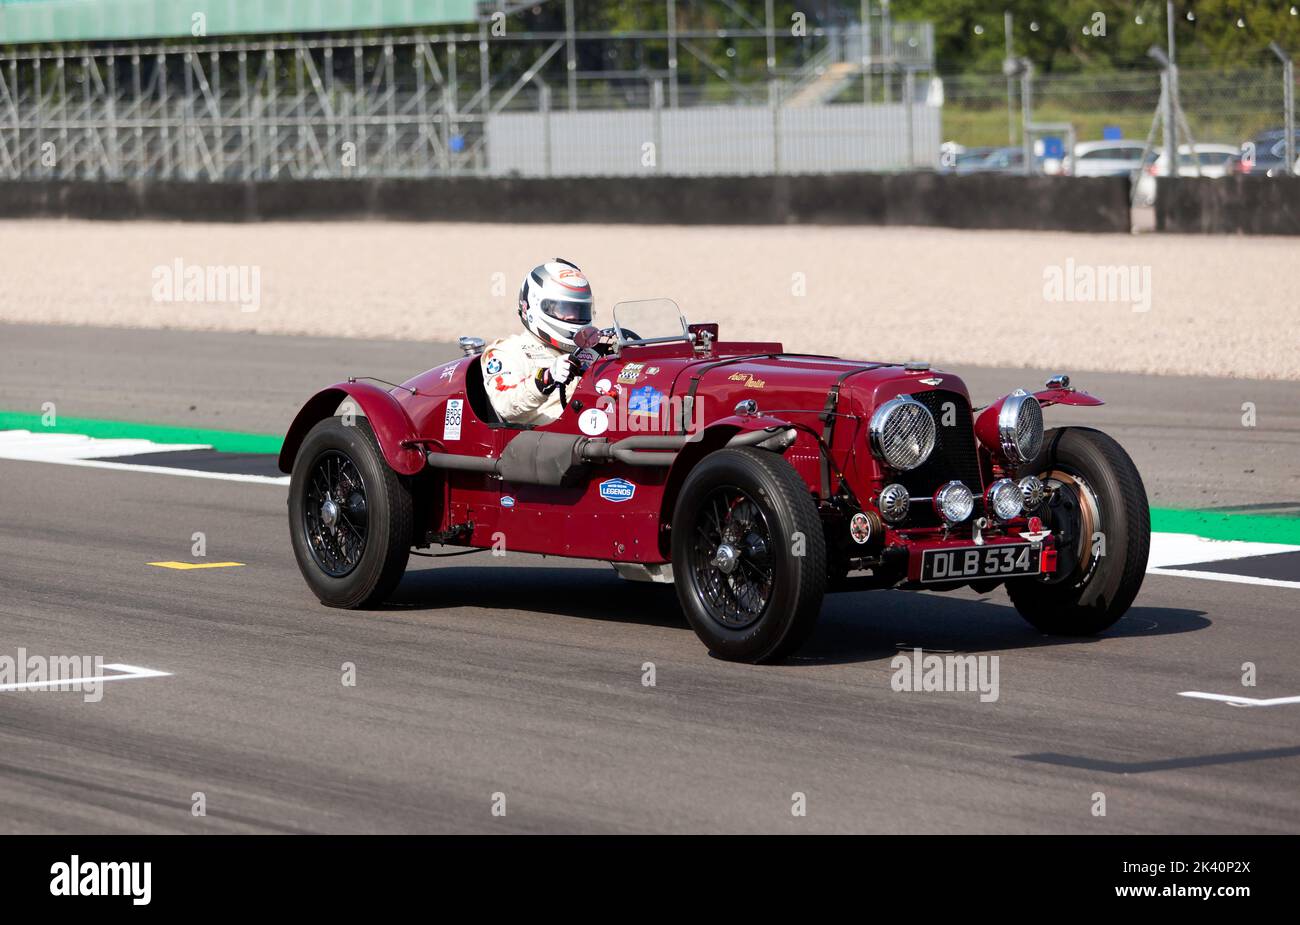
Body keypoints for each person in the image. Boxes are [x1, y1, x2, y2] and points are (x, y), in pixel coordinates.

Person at [481, 258, 593, 426]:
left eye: (579, 310)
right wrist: (545, 378)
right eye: (565, 309)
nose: (572, 317)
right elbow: (505, 404)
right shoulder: (507, 352)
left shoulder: (591, 350)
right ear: (534, 305)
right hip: (544, 440)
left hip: (597, 427)